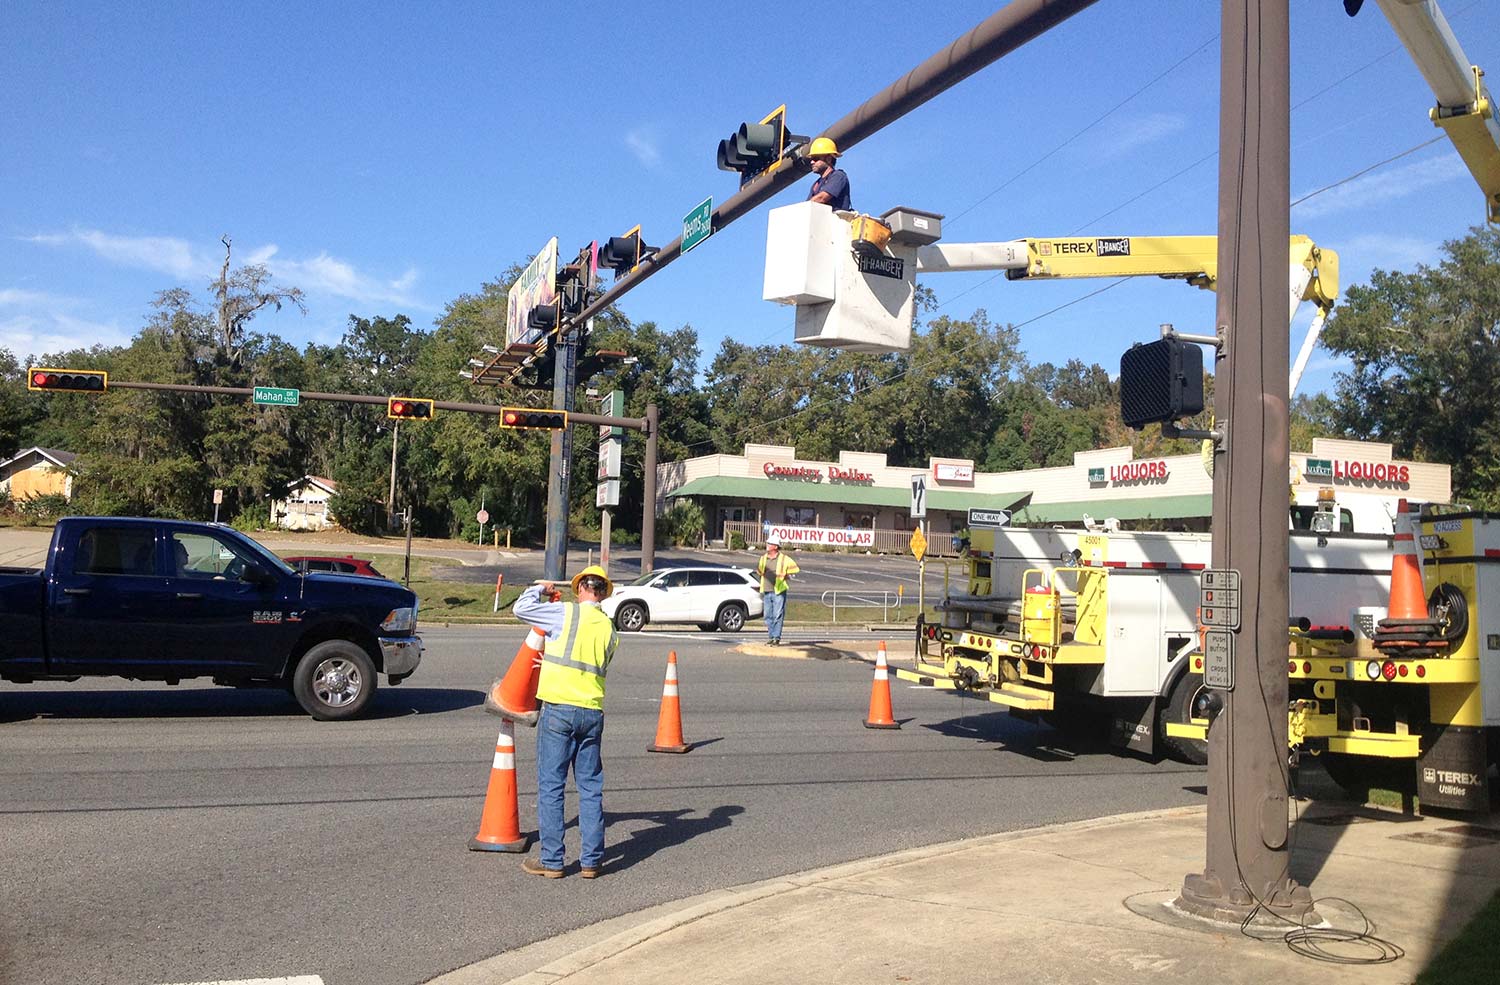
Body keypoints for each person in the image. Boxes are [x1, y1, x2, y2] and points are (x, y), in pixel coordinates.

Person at [514, 564, 619, 880]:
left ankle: (553, 861)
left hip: (560, 709)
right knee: (589, 787)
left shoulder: (565, 614)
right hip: (592, 712)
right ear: (602, 591)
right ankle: (591, 861)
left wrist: (540, 590)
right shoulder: (610, 630)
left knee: (551, 785)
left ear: (581, 589)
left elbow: (521, 609)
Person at [757, 534, 800, 645]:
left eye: (769, 544)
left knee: (777, 614)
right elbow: (760, 571)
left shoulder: (784, 559)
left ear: (775, 546)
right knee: (767, 615)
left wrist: (786, 576)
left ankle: (776, 637)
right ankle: (771, 637)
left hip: (778, 591)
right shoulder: (763, 558)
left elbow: (795, 569)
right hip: (766, 590)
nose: (767, 545)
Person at [805, 137, 851, 211]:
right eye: (811, 159)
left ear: (828, 159)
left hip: (835, 220)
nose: (812, 162)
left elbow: (822, 198)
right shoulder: (816, 184)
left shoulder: (838, 176)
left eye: (816, 159)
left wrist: (802, 209)